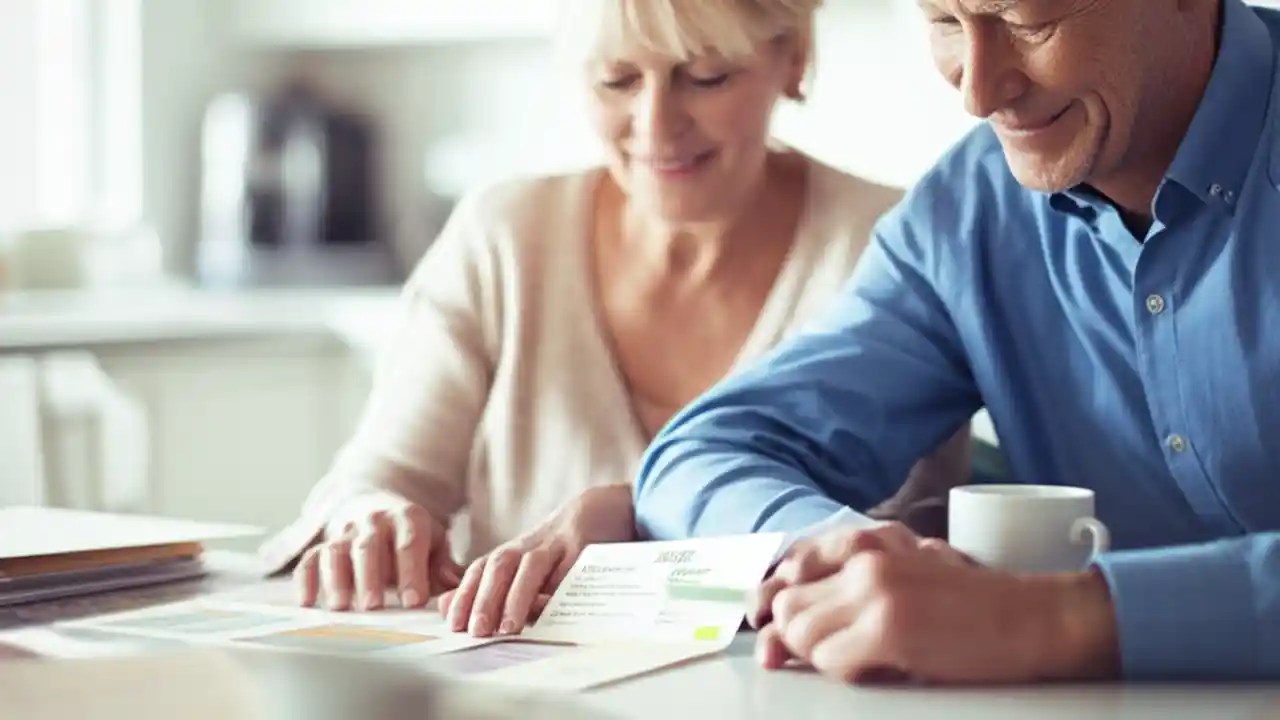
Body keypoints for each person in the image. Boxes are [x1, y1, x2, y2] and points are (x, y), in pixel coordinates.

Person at [261, 0, 973, 637]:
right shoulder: (504, 237)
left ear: (793, 58)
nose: (657, 125)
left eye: (705, 76)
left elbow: (915, 544)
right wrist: (370, 516)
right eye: (617, 80)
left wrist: (643, 518)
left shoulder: (892, 244)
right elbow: (378, 478)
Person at [634, 0, 1280, 683]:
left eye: (1029, 24)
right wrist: (853, 560)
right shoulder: (967, 214)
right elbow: (704, 453)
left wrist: (1055, 618)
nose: (976, 92)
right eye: (943, 21)